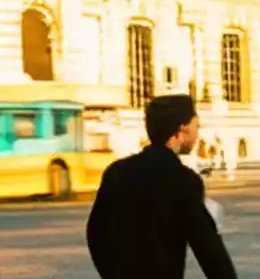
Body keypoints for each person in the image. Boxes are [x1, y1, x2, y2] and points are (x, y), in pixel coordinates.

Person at [86, 94, 237, 279]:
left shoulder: (116, 172)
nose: (198, 133)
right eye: (196, 126)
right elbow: (208, 248)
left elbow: (96, 233)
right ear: (180, 131)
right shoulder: (184, 181)